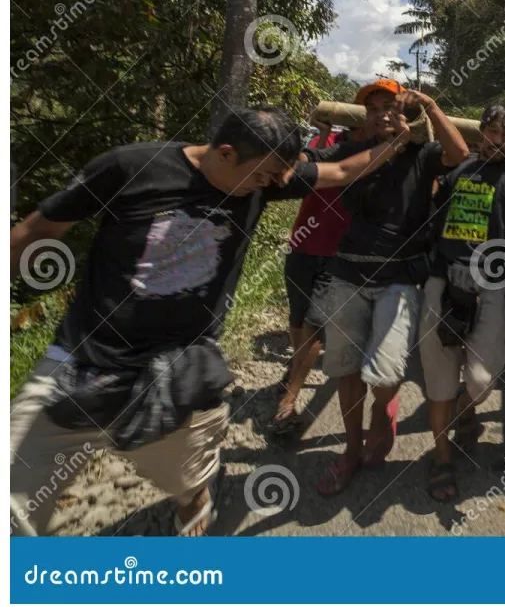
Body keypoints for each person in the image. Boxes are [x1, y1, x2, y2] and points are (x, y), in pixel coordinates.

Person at [10, 104, 417, 535]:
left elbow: (345, 170)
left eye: (275, 178)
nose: (268, 186)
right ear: (225, 153)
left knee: (190, 481)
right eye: (261, 175)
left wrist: (398, 141)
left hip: (180, 367)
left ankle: (194, 518)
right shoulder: (130, 167)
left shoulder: (264, 180)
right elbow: (36, 230)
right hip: (82, 360)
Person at [303, 80, 470, 496]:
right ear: (364, 115)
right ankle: (351, 450)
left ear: (404, 112)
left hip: (398, 279)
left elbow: (460, 154)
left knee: (387, 374)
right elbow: (314, 163)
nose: (381, 113)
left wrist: (430, 103)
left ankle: (384, 409)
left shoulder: (422, 155)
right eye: (372, 107)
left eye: (389, 106)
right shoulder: (352, 152)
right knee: (344, 369)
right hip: (348, 275)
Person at [418, 103, 505, 500]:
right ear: (479, 132)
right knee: (439, 378)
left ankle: (467, 408)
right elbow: (430, 208)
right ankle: (442, 460)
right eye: (489, 130)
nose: (494, 139)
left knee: (480, 381)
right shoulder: (457, 167)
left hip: (490, 286)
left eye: (504, 134)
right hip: (441, 280)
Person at [269, 121, 370, 434]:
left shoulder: (377, 153)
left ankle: (289, 399)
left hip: (339, 252)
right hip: (304, 242)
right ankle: (294, 374)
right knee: (298, 316)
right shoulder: (330, 144)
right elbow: (301, 163)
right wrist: (323, 133)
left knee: (317, 324)